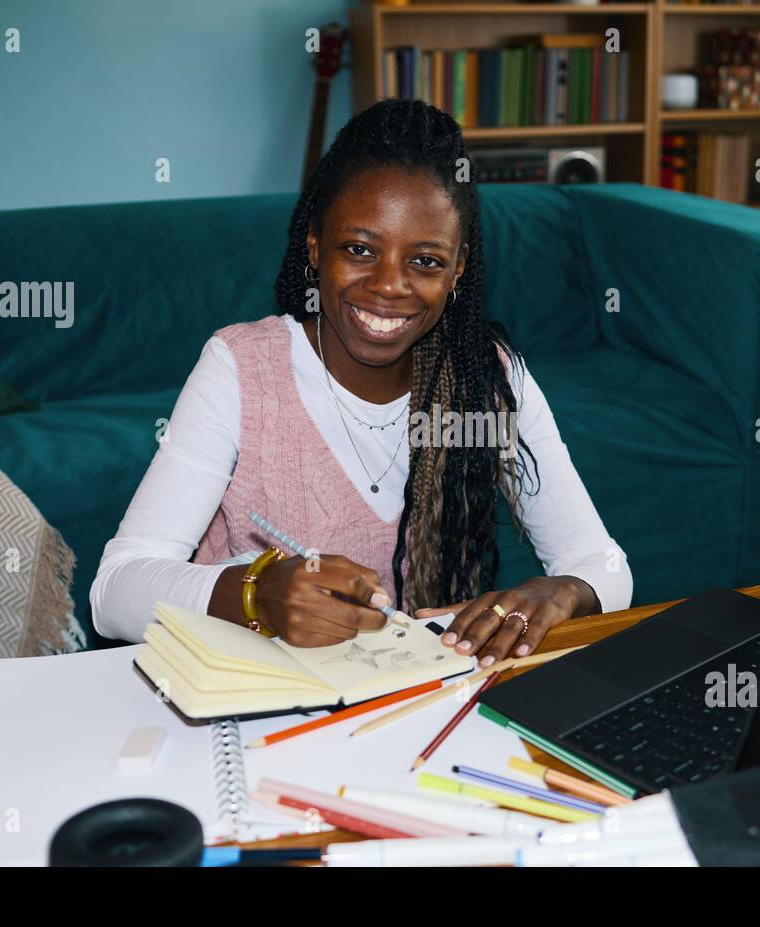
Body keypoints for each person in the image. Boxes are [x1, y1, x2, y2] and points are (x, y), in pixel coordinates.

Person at [91, 98, 631, 667]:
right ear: (315, 244)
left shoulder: (489, 379)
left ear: (459, 269)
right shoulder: (242, 368)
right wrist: (257, 591)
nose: (389, 286)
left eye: (425, 261)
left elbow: (605, 565)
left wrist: (563, 591)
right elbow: (114, 591)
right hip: (248, 691)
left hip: (412, 703)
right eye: (359, 250)